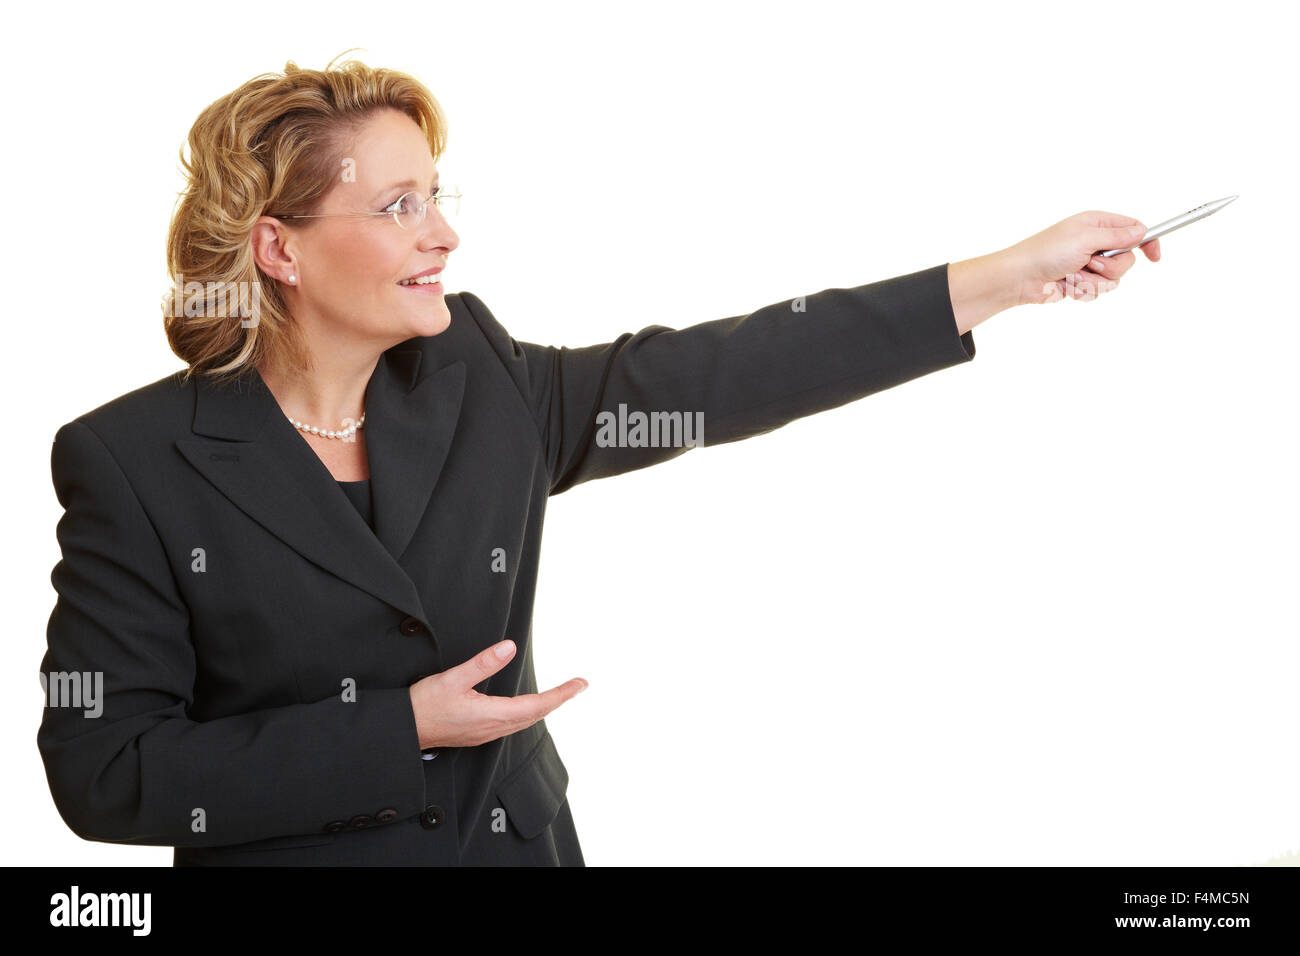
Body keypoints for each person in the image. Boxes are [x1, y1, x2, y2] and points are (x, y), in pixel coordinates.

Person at [36, 55, 1160, 866]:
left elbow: (715, 378)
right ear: (279, 246)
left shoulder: (476, 375)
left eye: (437, 195)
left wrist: (1012, 274)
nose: (443, 234)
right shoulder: (134, 461)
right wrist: (399, 728)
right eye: (397, 205)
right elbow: (105, 768)